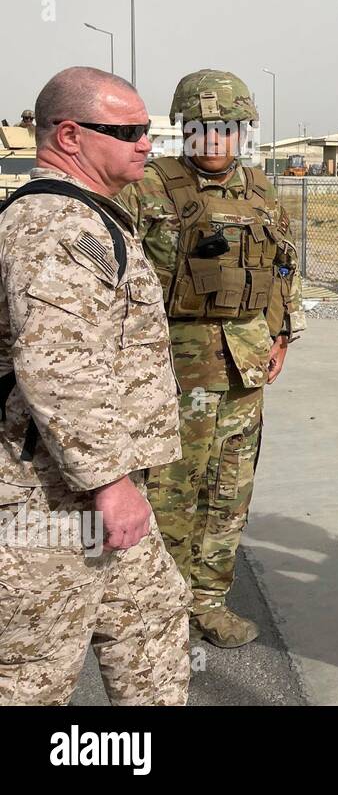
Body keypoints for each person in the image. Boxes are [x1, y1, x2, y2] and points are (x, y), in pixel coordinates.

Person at [0, 66, 188, 705]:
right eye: (129, 130)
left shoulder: (90, 215)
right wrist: (110, 481)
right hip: (48, 498)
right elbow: (59, 365)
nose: (146, 143)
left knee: (152, 627)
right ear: (71, 136)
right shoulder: (57, 224)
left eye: (148, 129)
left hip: (92, 488)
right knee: (34, 671)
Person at [116, 69, 304, 649]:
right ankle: (160, 604)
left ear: (242, 131)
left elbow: (282, 265)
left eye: (227, 128)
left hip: (245, 365)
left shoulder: (261, 190)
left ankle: (209, 600)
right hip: (173, 367)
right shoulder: (145, 188)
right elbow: (112, 277)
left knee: (229, 489)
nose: (215, 140)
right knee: (171, 488)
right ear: (185, 129)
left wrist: (282, 333)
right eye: (203, 128)